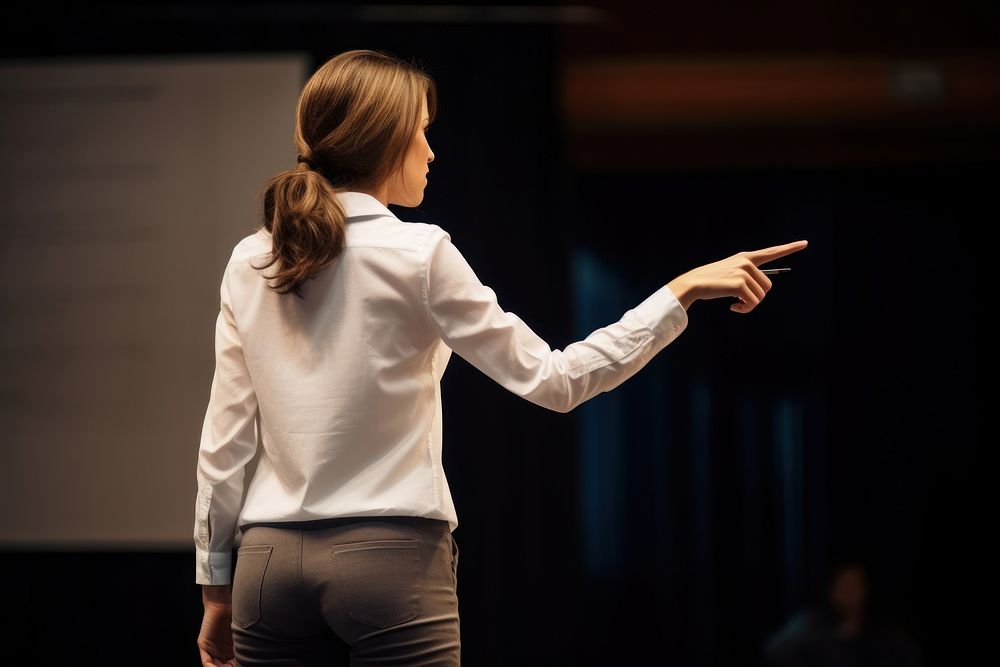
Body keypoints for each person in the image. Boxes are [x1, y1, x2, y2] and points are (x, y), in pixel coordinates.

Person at [194, 48, 809, 667]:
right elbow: (556, 380)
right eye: (423, 133)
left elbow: (225, 441)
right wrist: (682, 290)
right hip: (387, 560)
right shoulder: (420, 252)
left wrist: (215, 586)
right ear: (385, 139)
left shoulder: (250, 260)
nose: (431, 152)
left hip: (266, 565)